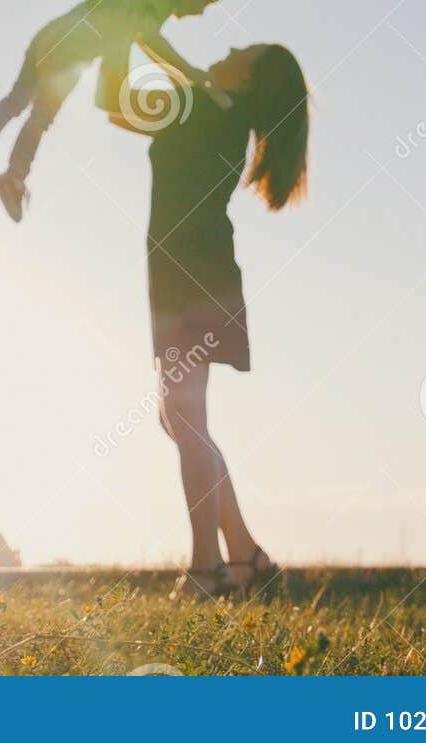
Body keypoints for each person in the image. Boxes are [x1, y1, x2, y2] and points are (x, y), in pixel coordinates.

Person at [113, 42, 309, 598]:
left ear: (250, 74)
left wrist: (125, 31)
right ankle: (244, 555)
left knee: (185, 420)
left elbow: (114, 102)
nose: (228, 46)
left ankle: (207, 569)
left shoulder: (204, 105)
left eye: (241, 49)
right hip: (191, 277)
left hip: (189, 281)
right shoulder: (213, 107)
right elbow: (127, 107)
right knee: (179, 420)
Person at [0, 0, 231, 222]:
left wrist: (180, 75)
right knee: (41, 117)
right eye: (204, 2)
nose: (200, 13)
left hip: (51, 33)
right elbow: (148, 38)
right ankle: (15, 176)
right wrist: (190, 73)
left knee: (16, 100)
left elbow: (141, 37)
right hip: (72, 51)